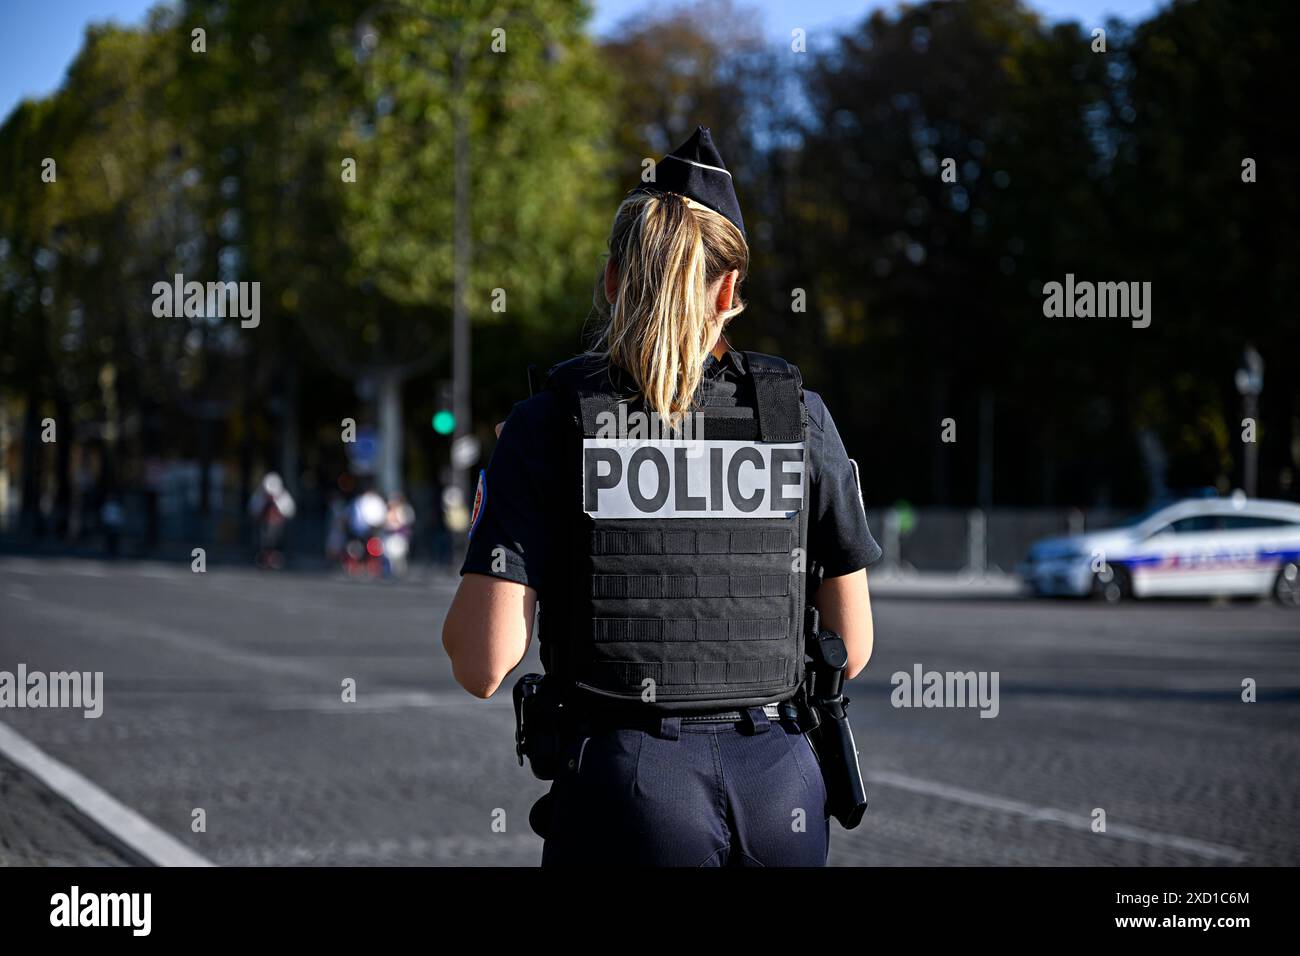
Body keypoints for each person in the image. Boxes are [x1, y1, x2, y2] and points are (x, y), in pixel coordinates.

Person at [442, 126, 881, 867]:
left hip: (630, 791)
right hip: (783, 791)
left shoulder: (550, 423)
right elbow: (854, 647)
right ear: (730, 290)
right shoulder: (796, 414)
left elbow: (484, 664)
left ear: (613, 280)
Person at [248, 471, 296, 570]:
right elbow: (254, 510)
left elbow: (288, 511)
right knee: (264, 542)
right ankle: (265, 558)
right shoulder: (260, 496)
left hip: (277, 525)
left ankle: (273, 558)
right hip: (265, 525)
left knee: (275, 543)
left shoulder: (283, 497)